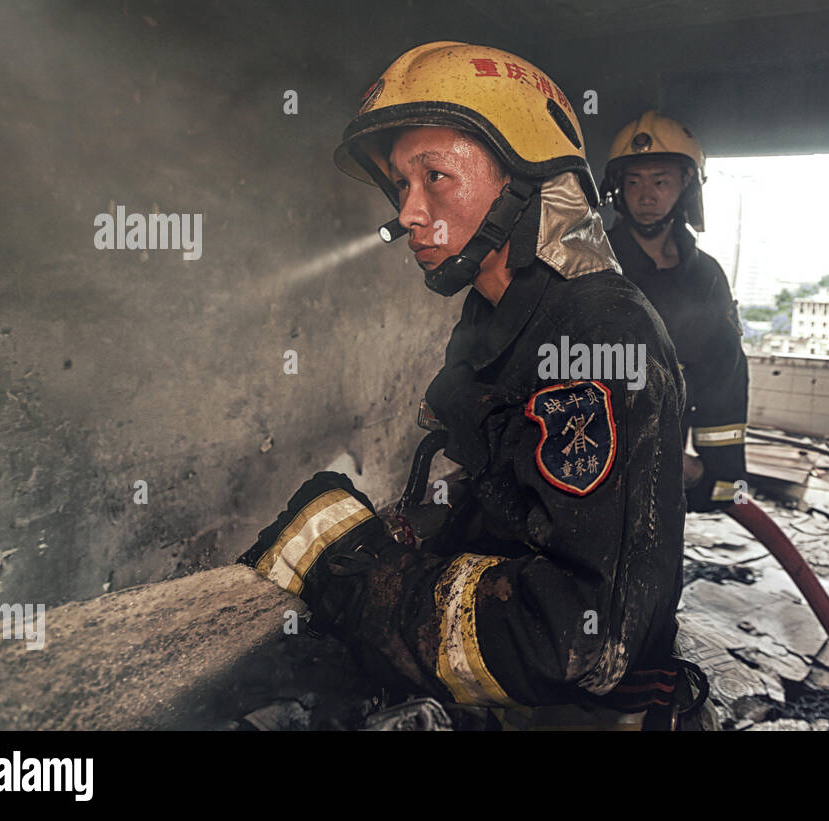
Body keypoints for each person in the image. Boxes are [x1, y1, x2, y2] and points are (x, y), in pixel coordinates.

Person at [239, 42, 703, 730]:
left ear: (526, 183)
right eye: (400, 184)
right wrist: (421, 528)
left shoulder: (599, 335)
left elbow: (578, 640)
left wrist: (368, 585)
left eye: (436, 177)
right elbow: (509, 484)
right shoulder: (494, 311)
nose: (408, 213)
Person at [601, 111, 750, 513]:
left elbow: (725, 378)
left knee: (655, 572)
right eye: (634, 181)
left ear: (686, 185)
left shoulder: (707, 278)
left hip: (664, 479)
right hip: (584, 469)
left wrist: (715, 474)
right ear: (617, 188)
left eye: (660, 181)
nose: (646, 196)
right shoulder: (589, 266)